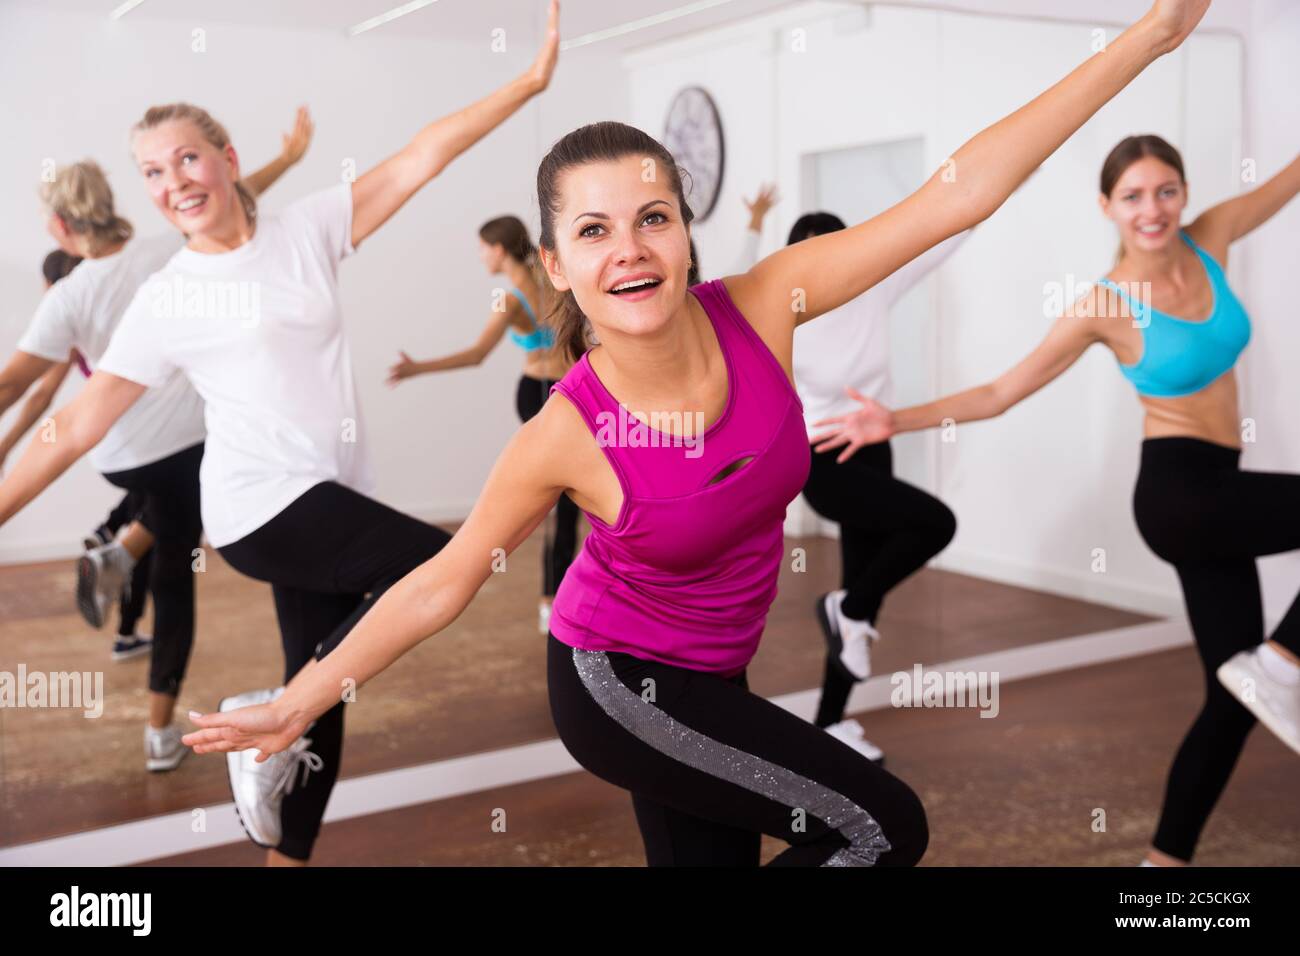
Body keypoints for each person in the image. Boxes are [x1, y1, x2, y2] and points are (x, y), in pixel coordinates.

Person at [182, 0, 1211, 866]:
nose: (628, 250)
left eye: (652, 217)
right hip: (618, 681)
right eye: (593, 231)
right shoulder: (567, 429)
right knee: (877, 826)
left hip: (717, 670)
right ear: (557, 263)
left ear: (685, 231)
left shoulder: (766, 303)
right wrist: (299, 700)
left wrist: (1150, 36)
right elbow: (442, 581)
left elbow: (958, 193)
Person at [0, 4, 559, 864]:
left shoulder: (308, 228)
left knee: (321, 705)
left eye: (187, 157)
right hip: (260, 505)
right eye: (152, 171)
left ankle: (284, 826)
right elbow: (73, 424)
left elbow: (422, 154)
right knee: (440, 565)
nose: (173, 180)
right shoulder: (169, 295)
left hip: (327, 492)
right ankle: (281, 707)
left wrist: (526, 83)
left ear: (228, 159)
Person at [812, 133, 1300, 865]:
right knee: (1256, 678)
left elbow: (1288, 181)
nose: (1152, 209)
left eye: (1165, 190)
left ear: (1184, 193)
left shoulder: (1213, 238)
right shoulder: (1102, 304)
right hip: (1178, 494)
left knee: (1232, 700)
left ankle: (1163, 865)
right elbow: (1000, 391)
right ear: (1107, 206)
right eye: (1132, 196)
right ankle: (1284, 664)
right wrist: (897, 420)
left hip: (1224, 488)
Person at [0, 112, 312, 768]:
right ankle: (159, 732)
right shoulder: (166, 248)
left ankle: (120, 552)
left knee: (168, 513)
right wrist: (288, 157)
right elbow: (235, 191)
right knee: (176, 582)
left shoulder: (67, 296)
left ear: (59, 226)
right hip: (188, 448)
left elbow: (15, 387)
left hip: (119, 457)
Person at [734, 187, 969, 764]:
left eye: (834, 250)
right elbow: (729, 291)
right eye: (808, 254)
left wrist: (1014, 170)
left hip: (874, 451)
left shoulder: (875, 287)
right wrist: (755, 223)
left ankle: (831, 722)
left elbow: (948, 234)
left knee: (862, 598)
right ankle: (848, 609)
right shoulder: (782, 314)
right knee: (932, 525)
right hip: (823, 459)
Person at [386, 215, 577, 633]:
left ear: (499, 249)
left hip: (538, 395)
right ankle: (557, 595)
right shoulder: (555, 280)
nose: (480, 256)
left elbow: (476, 355)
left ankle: (552, 600)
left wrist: (418, 368)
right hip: (571, 394)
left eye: (482, 248)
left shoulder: (509, 300)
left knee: (551, 495)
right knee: (570, 498)